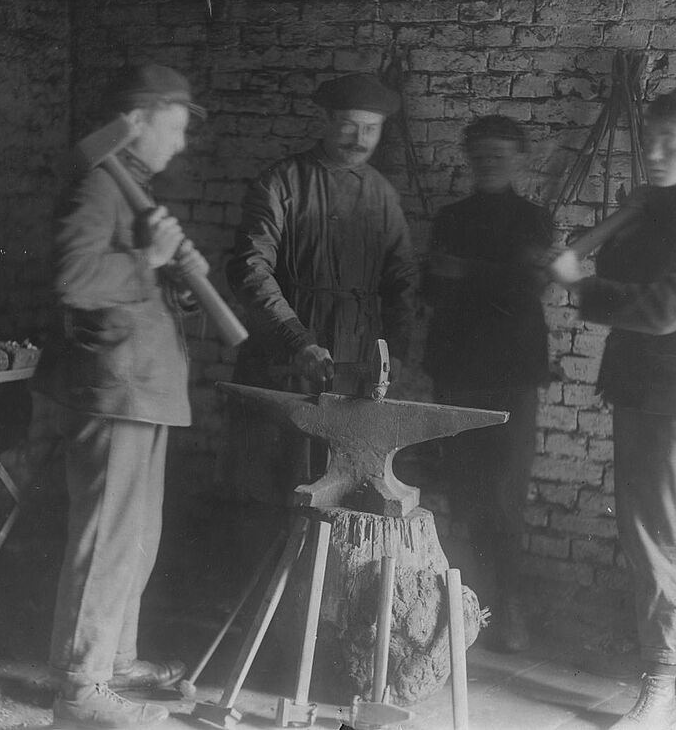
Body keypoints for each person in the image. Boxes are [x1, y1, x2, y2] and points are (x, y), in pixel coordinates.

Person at [546, 89, 676, 729]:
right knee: (643, 534)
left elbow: (661, 311)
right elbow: (603, 256)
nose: (653, 154)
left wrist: (581, 282)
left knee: (662, 538)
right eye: (650, 140)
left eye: (671, 142)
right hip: (636, 389)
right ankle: (657, 670)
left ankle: (663, 690)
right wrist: (619, 220)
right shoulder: (659, 207)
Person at [33, 64, 209, 728]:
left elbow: (135, 276)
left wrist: (177, 281)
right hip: (116, 385)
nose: (183, 141)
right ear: (139, 120)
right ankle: (80, 688)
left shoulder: (130, 185)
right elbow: (73, 278)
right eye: (178, 125)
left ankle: (113, 660)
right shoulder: (99, 182)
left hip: (147, 383)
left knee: (137, 534)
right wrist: (152, 262)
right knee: (108, 536)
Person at [224, 72, 419, 503]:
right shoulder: (281, 183)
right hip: (282, 355)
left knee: (340, 488)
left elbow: (401, 282)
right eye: (349, 125)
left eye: (371, 129)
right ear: (327, 120)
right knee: (269, 484)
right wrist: (297, 340)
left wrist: (397, 353)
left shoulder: (383, 196)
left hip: (354, 361)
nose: (359, 138)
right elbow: (251, 269)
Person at [422, 114, 552, 653]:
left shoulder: (535, 221)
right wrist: (490, 275)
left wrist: (465, 272)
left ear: (519, 160)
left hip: (512, 375)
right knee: (461, 492)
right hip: (457, 373)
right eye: (479, 157)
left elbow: (528, 286)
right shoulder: (449, 217)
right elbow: (431, 288)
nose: (488, 166)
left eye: (499, 156)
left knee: (503, 496)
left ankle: (508, 612)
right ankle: (464, 613)